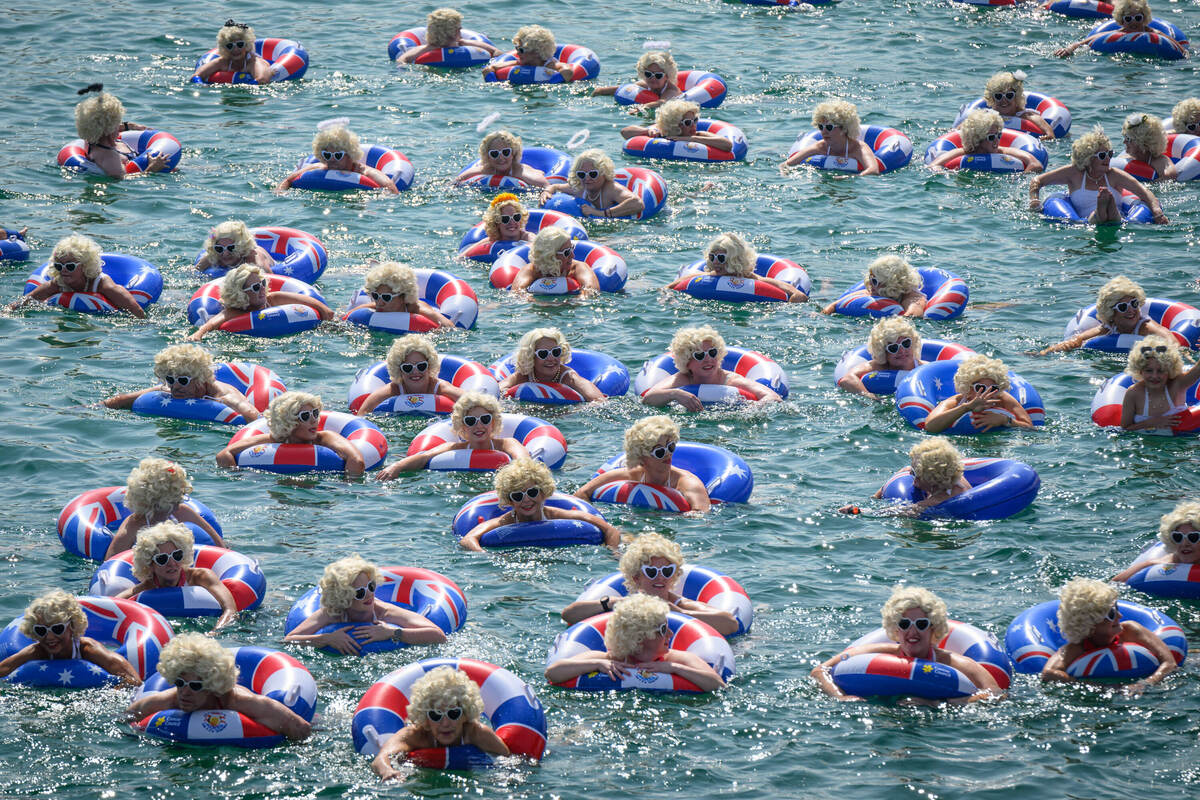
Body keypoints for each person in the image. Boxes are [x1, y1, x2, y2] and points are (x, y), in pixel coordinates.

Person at [811, 585, 1003, 704]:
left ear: (933, 628)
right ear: (896, 629)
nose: (912, 632)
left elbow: (996, 694)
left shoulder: (957, 664)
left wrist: (937, 704)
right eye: (904, 624)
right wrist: (840, 697)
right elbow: (820, 671)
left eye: (921, 624)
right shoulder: (879, 652)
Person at [124, 633, 311, 740]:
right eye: (180, 683)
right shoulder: (171, 698)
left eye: (196, 685)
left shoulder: (242, 702)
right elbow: (127, 717)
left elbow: (301, 729)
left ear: (213, 686)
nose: (185, 692)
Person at [560, 533, 737, 635]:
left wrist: (679, 613)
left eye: (667, 571)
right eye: (651, 572)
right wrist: (613, 603)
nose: (660, 578)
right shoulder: (623, 604)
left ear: (674, 574)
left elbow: (730, 623)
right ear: (636, 577)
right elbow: (569, 614)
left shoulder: (682, 604)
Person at [544, 593, 725, 690]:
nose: (670, 633)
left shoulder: (676, 659)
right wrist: (597, 664)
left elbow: (718, 684)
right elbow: (552, 673)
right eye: (662, 630)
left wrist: (674, 669)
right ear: (638, 639)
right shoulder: (606, 658)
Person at [284, 556, 448, 654]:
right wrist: (327, 639)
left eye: (371, 586)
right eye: (360, 592)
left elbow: (439, 636)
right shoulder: (333, 613)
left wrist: (393, 633)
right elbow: (289, 640)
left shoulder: (384, 612)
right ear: (344, 597)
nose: (370, 594)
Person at [1041, 578, 1177, 695]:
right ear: (1091, 623)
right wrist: (1100, 687)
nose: (1120, 615)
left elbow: (1170, 663)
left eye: (1116, 608)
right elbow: (1048, 673)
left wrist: (1144, 684)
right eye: (1111, 614)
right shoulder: (1077, 648)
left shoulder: (1131, 630)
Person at [372, 665, 509, 780]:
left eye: (453, 714)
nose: (445, 723)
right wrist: (387, 772)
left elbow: (508, 760)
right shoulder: (415, 735)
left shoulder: (476, 733)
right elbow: (380, 759)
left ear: (466, 715)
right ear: (425, 718)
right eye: (435, 715)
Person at [461, 458, 622, 551]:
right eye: (517, 495)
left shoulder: (557, 514)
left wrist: (613, 553)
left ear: (544, 492)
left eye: (532, 493)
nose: (526, 500)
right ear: (509, 501)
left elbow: (610, 529)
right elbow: (468, 540)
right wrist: (484, 556)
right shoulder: (504, 522)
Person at [1029, 126, 1168, 224]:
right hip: (1087, 220)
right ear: (1088, 158)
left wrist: (1157, 212)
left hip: (1118, 219)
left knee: (1113, 216)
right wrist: (1034, 200)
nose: (1108, 159)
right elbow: (1037, 181)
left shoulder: (1114, 175)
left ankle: (1108, 206)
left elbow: (1143, 192)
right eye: (1102, 155)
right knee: (1096, 217)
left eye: (1110, 154)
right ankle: (1100, 210)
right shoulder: (1074, 173)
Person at [115, 522, 239, 632]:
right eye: (162, 559)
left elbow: (230, 610)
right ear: (150, 565)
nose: (172, 563)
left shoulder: (202, 577)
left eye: (177, 555)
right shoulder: (149, 587)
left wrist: (215, 632)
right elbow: (114, 603)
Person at [0, 590, 140, 686]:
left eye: (57, 629)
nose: (49, 637)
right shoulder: (37, 652)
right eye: (41, 630)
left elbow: (134, 680)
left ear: (72, 626)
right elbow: (3, 670)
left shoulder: (88, 650)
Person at [574, 415, 712, 512]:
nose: (668, 454)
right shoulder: (630, 475)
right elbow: (582, 493)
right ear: (642, 457)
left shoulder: (688, 483)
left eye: (670, 447)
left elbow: (701, 516)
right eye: (659, 452)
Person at [377, 392, 528, 478]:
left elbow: (524, 462)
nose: (479, 425)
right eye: (470, 421)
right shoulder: (453, 447)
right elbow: (424, 456)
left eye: (485, 419)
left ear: (493, 423)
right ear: (462, 426)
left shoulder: (508, 444)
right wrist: (395, 467)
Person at [103, 457, 226, 560]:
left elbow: (220, 546)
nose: (181, 499)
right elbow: (111, 562)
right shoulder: (134, 525)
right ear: (159, 501)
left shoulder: (182, 512)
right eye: (175, 496)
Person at [101, 342, 261, 422]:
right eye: (170, 379)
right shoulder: (169, 389)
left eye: (183, 381)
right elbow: (123, 400)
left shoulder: (224, 398)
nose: (175, 387)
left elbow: (253, 416)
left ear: (201, 378)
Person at [217, 391, 366, 476]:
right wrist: (237, 477)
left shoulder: (326, 438)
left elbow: (357, 461)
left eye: (315, 413)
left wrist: (345, 487)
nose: (314, 420)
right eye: (306, 416)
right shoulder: (273, 439)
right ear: (289, 423)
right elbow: (223, 455)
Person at [643, 324, 782, 411]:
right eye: (699, 355)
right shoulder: (682, 380)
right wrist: (675, 394)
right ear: (687, 361)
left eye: (712, 352)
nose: (708, 359)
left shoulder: (731, 381)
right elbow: (648, 399)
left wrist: (752, 409)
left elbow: (773, 397)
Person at [8, 234, 145, 318]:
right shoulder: (59, 283)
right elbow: (24, 302)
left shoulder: (102, 284)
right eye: (59, 266)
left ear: (85, 265)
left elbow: (135, 310)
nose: (64, 271)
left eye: (70, 266)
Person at [188, 263, 333, 341]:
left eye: (263, 283)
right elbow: (212, 324)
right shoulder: (236, 311)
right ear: (240, 294)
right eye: (256, 287)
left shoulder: (274, 298)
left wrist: (328, 319)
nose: (263, 289)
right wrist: (198, 334)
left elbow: (314, 304)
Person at [1036, 275, 1173, 355]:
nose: (1131, 310)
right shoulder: (1108, 327)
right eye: (1123, 307)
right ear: (1111, 313)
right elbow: (1077, 340)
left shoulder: (1145, 327)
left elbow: (1170, 340)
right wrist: (1045, 352)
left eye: (1134, 303)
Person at [840, 438, 972, 517]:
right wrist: (875, 497)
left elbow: (893, 512)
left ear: (933, 480)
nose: (911, 478)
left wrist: (856, 511)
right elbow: (906, 469)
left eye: (916, 475)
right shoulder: (950, 477)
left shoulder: (940, 499)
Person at [675, 232, 805, 303]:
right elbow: (673, 285)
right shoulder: (710, 275)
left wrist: (787, 309)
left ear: (733, 260)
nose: (715, 262)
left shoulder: (749, 277)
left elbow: (798, 294)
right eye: (712, 257)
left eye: (721, 258)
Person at [71, 84, 167, 179]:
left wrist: (129, 126)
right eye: (118, 122)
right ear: (110, 128)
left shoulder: (91, 141)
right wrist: (152, 169)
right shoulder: (109, 157)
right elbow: (122, 179)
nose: (119, 125)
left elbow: (102, 126)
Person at [922, 354, 1035, 433]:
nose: (987, 392)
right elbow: (930, 426)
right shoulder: (954, 402)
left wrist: (1005, 420)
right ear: (968, 388)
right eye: (980, 388)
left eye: (993, 389)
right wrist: (966, 408)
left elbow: (1030, 428)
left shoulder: (1003, 400)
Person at [355, 335, 465, 415]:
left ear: (429, 365)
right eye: (407, 368)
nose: (415, 372)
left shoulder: (441, 388)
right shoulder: (393, 390)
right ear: (399, 369)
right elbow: (362, 414)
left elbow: (475, 402)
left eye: (421, 366)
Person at [277, 122, 399, 194]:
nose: (332, 159)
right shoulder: (319, 167)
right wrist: (280, 194)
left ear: (351, 155)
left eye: (338, 155)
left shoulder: (365, 172)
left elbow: (391, 188)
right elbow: (288, 180)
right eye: (327, 155)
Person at [1119, 336, 1200, 434]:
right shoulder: (1133, 393)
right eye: (1149, 371)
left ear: (1169, 370)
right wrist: (1151, 423)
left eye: (1160, 371)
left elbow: (1198, 369)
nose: (1154, 376)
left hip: (1180, 443)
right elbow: (1125, 429)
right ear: (1140, 370)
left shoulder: (1177, 385)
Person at [498, 327, 605, 401]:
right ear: (531, 357)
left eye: (555, 352)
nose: (551, 358)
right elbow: (497, 391)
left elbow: (599, 400)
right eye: (543, 354)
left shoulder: (568, 377)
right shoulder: (524, 375)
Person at [781, 99, 880, 175]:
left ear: (843, 128)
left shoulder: (858, 148)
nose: (823, 131)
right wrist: (784, 174)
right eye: (821, 126)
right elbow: (787, 164)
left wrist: (850, 177)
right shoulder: (820, 146)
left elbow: (873, 170)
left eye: (829, 127)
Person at [1054, 0, 1181, 58]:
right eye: (1128, 19)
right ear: (1121, 20)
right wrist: (1069, 49)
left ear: (1145, 17)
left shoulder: (1153, 32)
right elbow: (1085, 41)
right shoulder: (1117, 33)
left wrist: (1184, 54)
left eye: (1137, 18)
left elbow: (1178, 46)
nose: (1133, 22)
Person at [929, 108, 1043, 173]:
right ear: (978, 139)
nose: (996, 141)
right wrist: (948, 173)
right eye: (991, 137)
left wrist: (1020, 178)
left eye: (999, 135)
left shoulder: (1003, 151)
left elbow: (1036, 164)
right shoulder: (963, 152)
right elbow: (933, 165)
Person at [541, 148, 643, 219]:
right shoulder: (581, 188)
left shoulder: (610, 189)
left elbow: (638, 203)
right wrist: (547, 191)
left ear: (604, 172)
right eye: (581, 174)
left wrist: (601, 213)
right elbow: (556, 186)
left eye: (593, 174)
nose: (587, 178)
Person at [837, 317, 923, 400]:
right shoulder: (878, 366)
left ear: (913, 344)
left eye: (906, 343)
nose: (902, 350)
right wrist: (868, 396)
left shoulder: (923, 367)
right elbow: (847, 379)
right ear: (883, 352)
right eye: (893, 348)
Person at [1113, 501, 1200, 583]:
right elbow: (1113, 585)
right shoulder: (1160, 563)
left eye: (1193, 537)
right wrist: (1148, 564)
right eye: (1177, 537)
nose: (1184, 543)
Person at [349, 261, 453, 327]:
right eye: (376, 296)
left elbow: (450, 328)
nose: (380, 303)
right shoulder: (373, 307)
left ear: (404, 297)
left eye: (387, 297)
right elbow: (344, 318)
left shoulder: (418, 310)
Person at [822, 254, 926, 317]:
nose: (870, 283)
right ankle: (825, 286)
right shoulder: (872, 291)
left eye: (875, 281)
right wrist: (822, 315)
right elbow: (834, 305)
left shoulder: (912, 298)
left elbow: (912, 317)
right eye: (870, 278)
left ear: (890, 284)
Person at [620, 99, 733, 153]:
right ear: (675, 125)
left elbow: (728, 145)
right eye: (688, 123)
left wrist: (691, 139)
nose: (693, 125)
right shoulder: (663, 135)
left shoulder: (698, 135)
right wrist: (648, 131)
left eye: (695, 120)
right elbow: (625, 132)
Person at [397, 7, 501, 64]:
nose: (461, 31)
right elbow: (497, 52)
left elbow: (402, 61)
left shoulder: (425, 49)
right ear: (453, 32)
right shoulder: (463, 43)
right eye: (459, 29)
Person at [509, 227, 598, 293]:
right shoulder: (532, 270)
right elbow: (516, 294)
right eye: (566, 252)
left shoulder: (578, 268)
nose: (572, 255)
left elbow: (592, 291)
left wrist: (569, 303)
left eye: (572, 248)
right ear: (551, 256)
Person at [977, 70, 1055, 139]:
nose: (1004, 100)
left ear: (1017, 97)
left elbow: (1046, 129)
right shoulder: (988, 115)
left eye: (1009, 95)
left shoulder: (1024, 115)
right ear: (992, 99)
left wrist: (1049, 134)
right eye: (998, 96)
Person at [456, 130, 549, 188]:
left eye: (506, 152)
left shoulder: (519, 171)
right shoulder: (486, 169)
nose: (501, 158)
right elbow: (458, 179)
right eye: (494, 153)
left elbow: (546, 185)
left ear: (513, 153)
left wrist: (546, 192)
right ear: (488, 157)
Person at [593, 50, 682, 109]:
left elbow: (662, 102)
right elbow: (618, 89)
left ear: (667, 76)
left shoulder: (671, 90)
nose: (653, 78)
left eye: (658, 75)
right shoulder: (643, 85)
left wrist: (643, 108)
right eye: (648, 74)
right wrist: (597, 92)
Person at [192, 19, 273, 84]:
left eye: (240, 44)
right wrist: (201, 85)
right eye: (230, 46)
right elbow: (196, 75)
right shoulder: (222, 62)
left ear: (247, 45)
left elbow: (262, 79)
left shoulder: (253, 62)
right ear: (224, 48)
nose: (235, 49)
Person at [482, 24, 574, 81]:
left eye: (521, 50)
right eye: (517, 49)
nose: (517, 53)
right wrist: (493, 82)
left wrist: (552, 82)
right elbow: (489, 68)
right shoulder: (520, 62)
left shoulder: (548, 64)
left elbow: (567, 71)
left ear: (537, 52)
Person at [193, 220, 275, 275]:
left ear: (242, 247)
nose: (225, 253)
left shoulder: (253, 258)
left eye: (231, 248)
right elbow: (194, 273)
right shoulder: (215, 255)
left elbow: (269, 281)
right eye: (219, 248)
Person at [1120, 113, 1178, 181]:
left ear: (1143, 143)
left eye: (1128, 139)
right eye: (1124, 137)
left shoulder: (1159, 160)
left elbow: (1170, 176)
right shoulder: (1127, 158)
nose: (1124, 142)